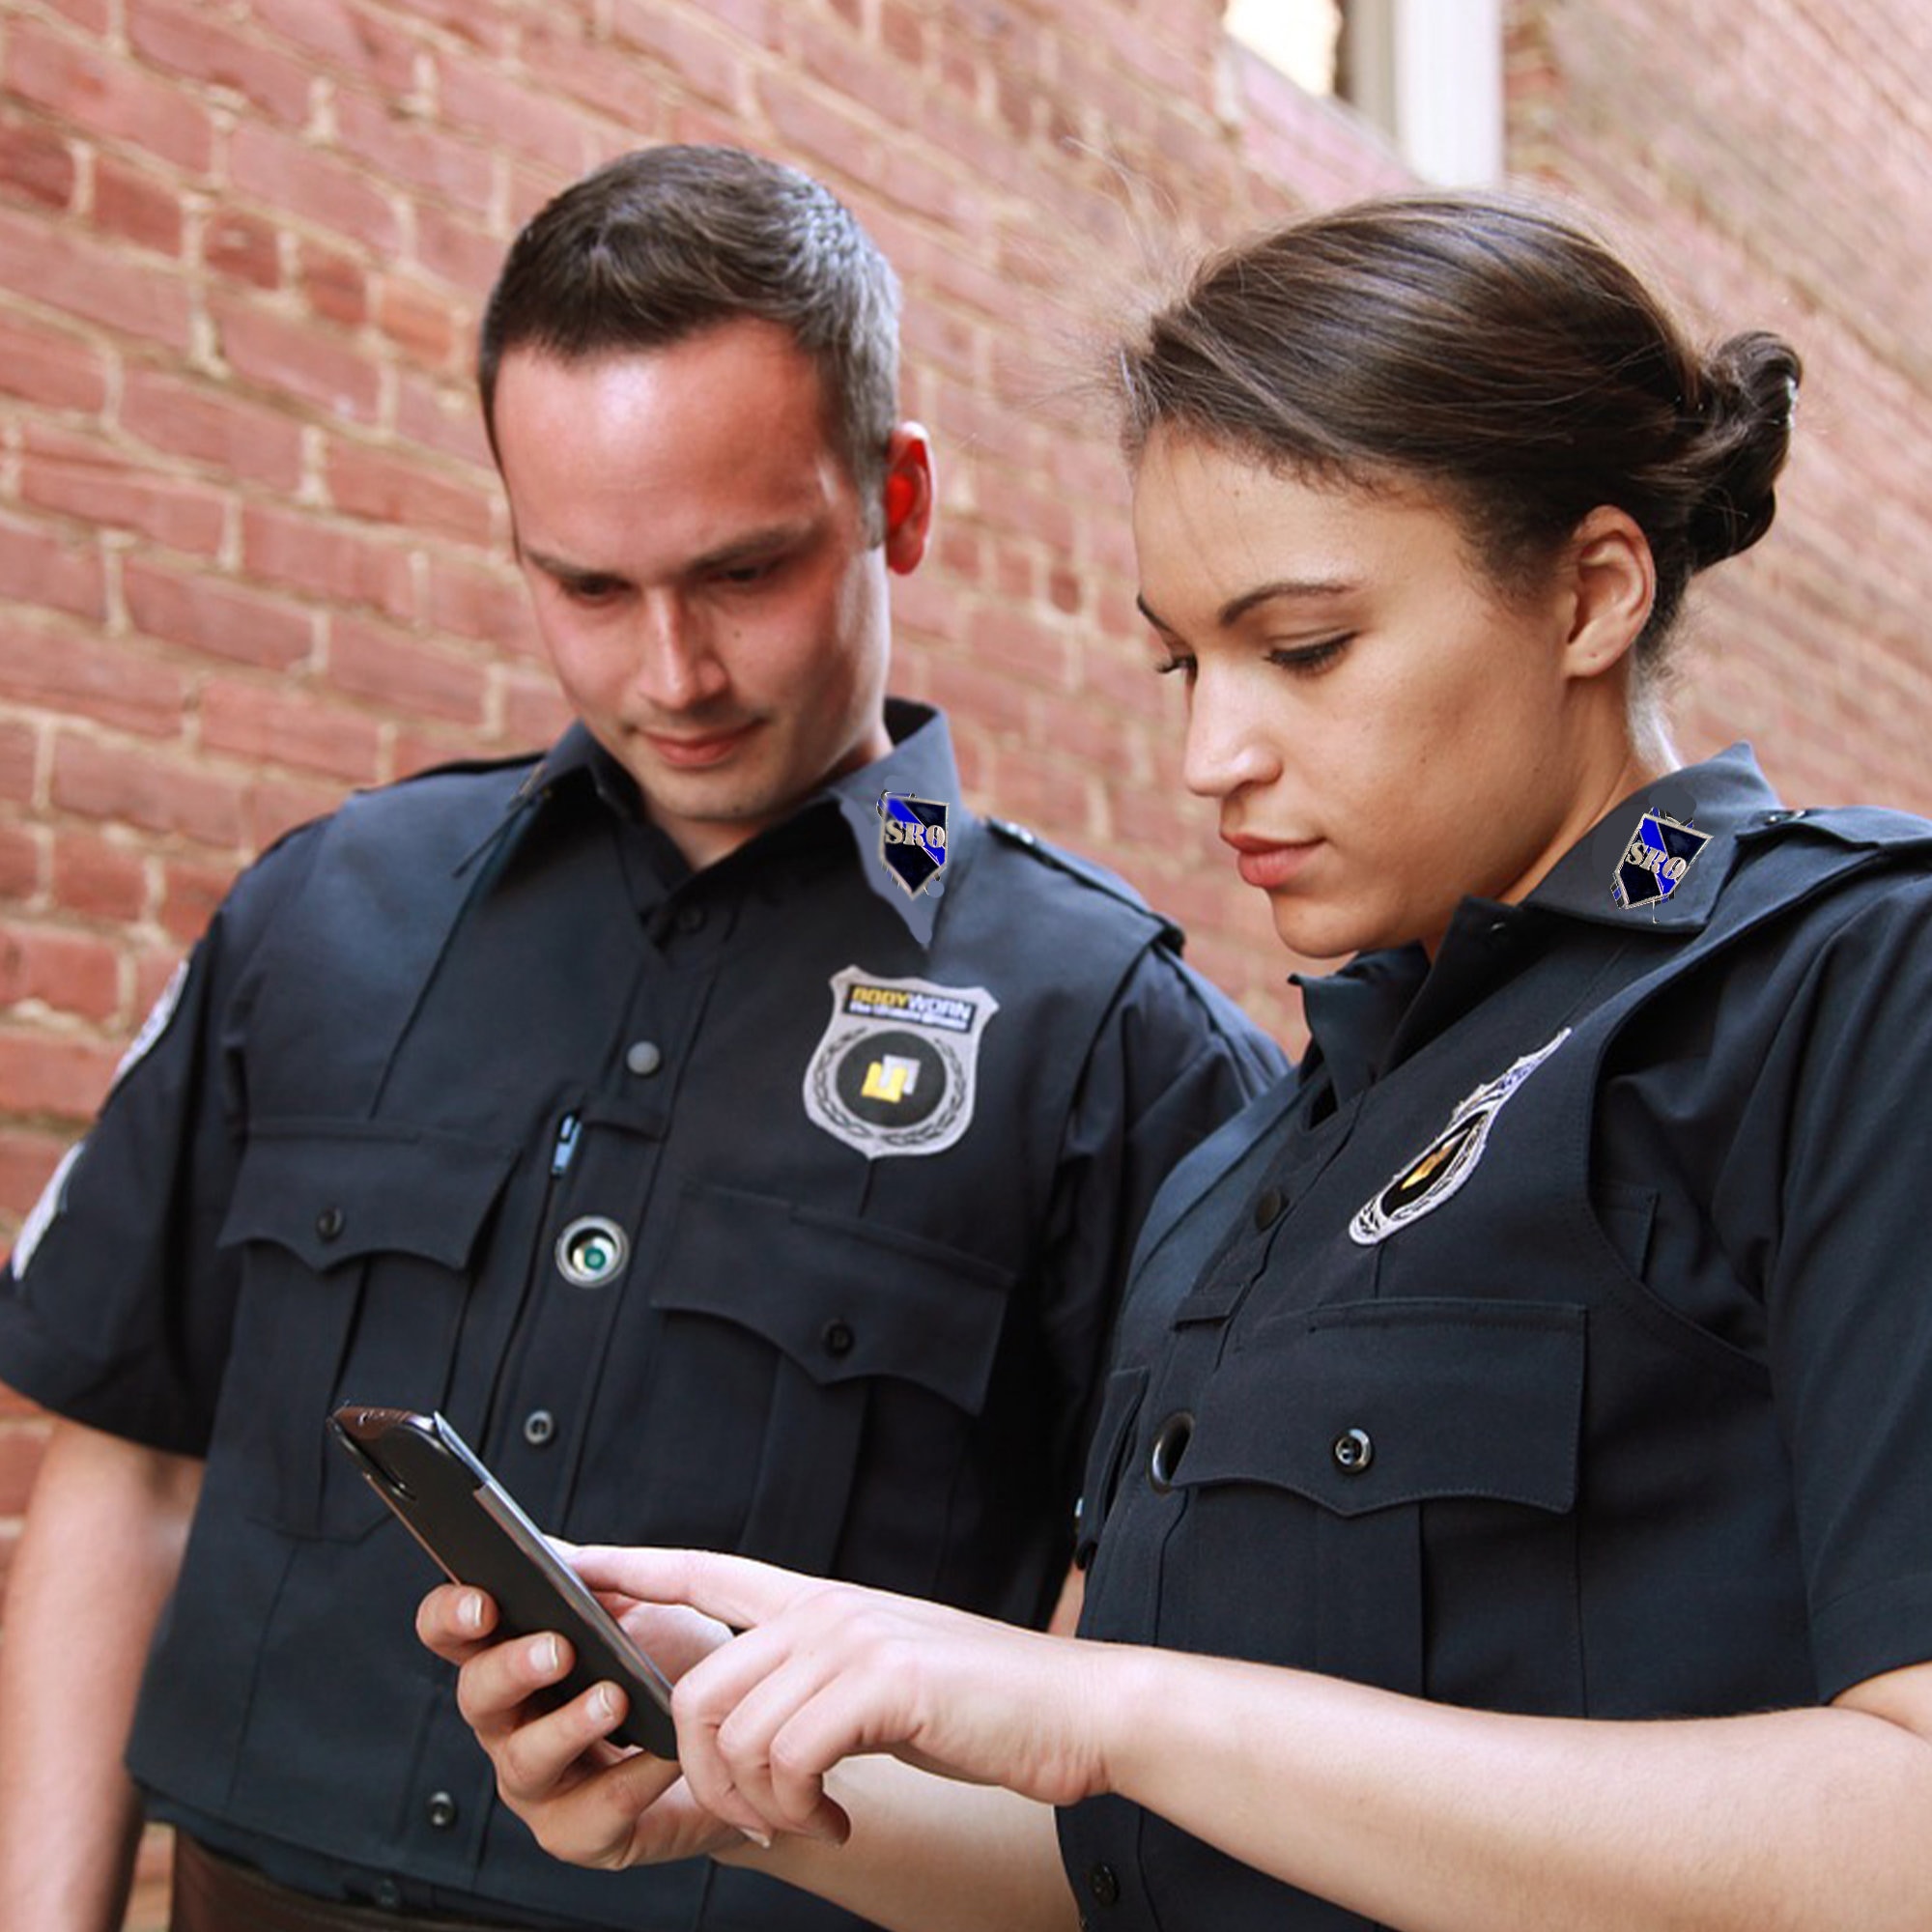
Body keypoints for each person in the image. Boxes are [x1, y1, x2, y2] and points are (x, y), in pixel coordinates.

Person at [421, 188, 1932, 1932]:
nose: (1211, 752)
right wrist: (740, 1772)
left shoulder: (1844, 993)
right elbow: (1118, 1856)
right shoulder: (1253, 1163)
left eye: (1302, 650)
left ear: (1592, 592)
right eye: (1180, 660)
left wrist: (1113, 1705)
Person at [0, 146, 1283, 1932]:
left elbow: (1150, 1683)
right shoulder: (325, 911)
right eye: (587, 590)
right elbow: (125, 1465)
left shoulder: (1115, 1045)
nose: (670, 671)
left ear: (897, 500)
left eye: (743, 574)